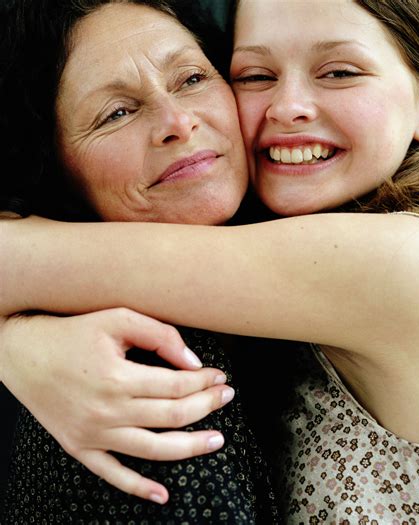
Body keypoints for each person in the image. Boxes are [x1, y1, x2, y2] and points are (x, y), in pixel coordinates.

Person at [1, 0, 419, 522]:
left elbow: (15, 260)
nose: (286, 106)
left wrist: (18, 344)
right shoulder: (251, 275)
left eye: (339, 72)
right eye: (255, 74)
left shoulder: (408, 263)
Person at [0, 0, 281, 523]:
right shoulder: (140, 380)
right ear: (52, 167)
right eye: (117, 113)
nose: (177, 122)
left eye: (193, 78)